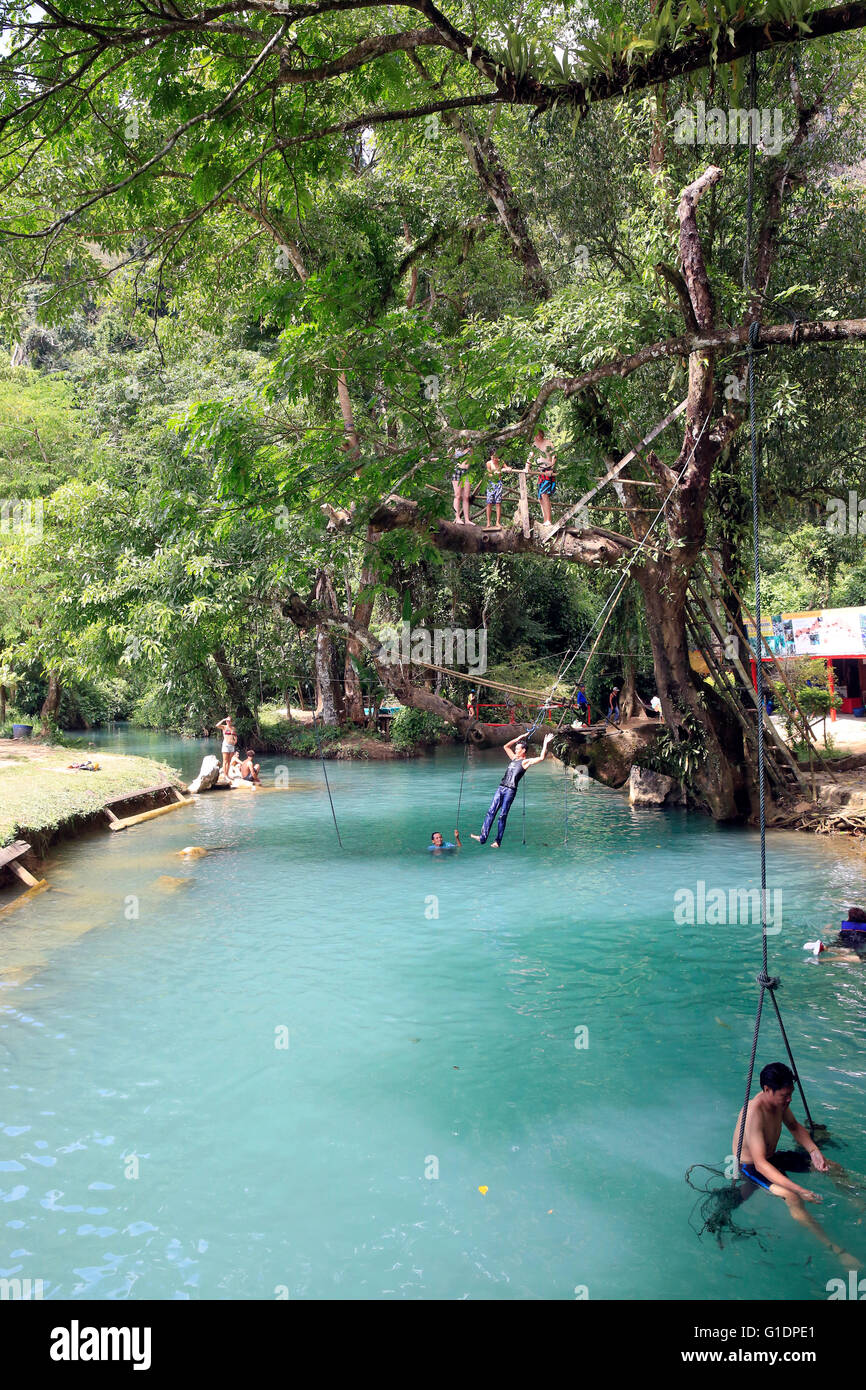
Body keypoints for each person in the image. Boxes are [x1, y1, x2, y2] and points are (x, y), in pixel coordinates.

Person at [733, 1061, 858, 1268]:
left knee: (833, 1166)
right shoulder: (753, 1113)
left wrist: (814, 1151)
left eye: (790, 1094)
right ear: (767, 1090)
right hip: (753, 1167)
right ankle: (835, 1250)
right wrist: (799, 1189)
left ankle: (858, 1203)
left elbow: (793, 1126)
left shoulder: (779, 1103)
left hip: (772, 1158)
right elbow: (761, 1164)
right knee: (792, 1197)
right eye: (785, 1095)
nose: (789, 1099)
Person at [471, 731, 554, 848]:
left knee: (502, 815)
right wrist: (518, 738)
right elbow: (506, 746)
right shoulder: (514, 758)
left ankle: (497, 841)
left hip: (510, 791)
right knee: (491, 811)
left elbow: (541, 758)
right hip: (501, 788)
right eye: (515, 748)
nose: (515, 750)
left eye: (518, 748)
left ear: (523, 750)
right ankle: (483, 837)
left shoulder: (525, 762)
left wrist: (545, 743)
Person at [525, 430, 557, 524]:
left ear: (540, 435)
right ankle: (545, 520)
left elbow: (554, 456)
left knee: (544, 494)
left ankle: (549, 520)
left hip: (548, 471)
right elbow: (530, 456)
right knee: (540, 497)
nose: (535, 437)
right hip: (540, 472)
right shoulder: (534, 445)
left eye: (536, 435)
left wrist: (551, 468)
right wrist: (527, 467)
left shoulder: (548, 443)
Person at [450, 448, 473, 525]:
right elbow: (447, 458)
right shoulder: (454, 447)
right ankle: (457, 518)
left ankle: (467, 519)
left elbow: (471, 459)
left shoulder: (470, 448)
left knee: (466, 496)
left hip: (467, 472)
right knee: (457, 495)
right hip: (457, 470)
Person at [484, 453, 504, 528]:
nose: (494, 458)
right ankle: (488, 522)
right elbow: (489, 474)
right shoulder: (489, 463)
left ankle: (497, 522)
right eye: (492, 456)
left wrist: (507, 469)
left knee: (498, 502)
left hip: (498, 483)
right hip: (491, 483)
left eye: (495, 456)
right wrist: (496, 474)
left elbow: (506, 467)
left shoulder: (501, 462)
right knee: (489, 502)